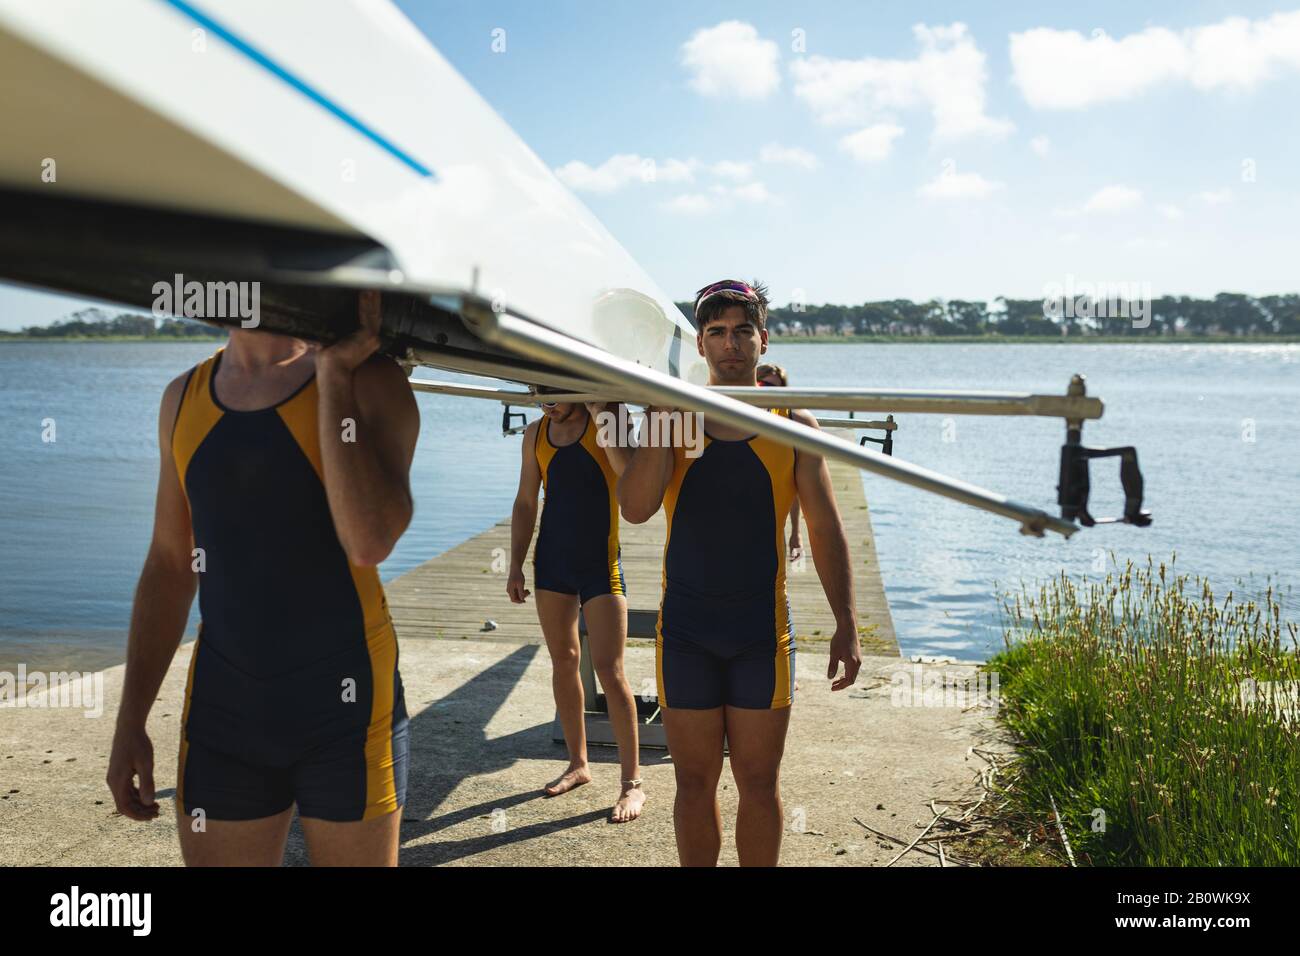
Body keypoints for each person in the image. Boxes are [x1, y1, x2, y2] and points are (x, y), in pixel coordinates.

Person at [106, 291, 420, 866]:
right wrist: (131, 720)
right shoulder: (182, 398)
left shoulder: (371, 382)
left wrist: (332, 375)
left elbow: (369, 539)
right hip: (226, 711)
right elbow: (171, 564)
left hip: (347, 708)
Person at [619, 278, 861, 866]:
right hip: (685, 635)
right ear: (700, 345)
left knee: (759, 784)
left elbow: (826, 529)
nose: (731, 343)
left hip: (761, 635)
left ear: (764, 340)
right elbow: (635, 507)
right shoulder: (675, 419)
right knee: (693, 784)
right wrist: (656, 420)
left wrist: (846, 622)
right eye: (718, 332)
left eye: (743, 331)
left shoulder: (794, 424)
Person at [508, 393, 645, 822]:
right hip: (551, 563)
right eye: (537, 393)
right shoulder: (535, 435)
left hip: (601, 566)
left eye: (554, 392)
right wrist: (514, 564)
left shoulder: (603, 422)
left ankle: (632, 783)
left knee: (610, 668)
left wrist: (602, 414)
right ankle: (578, 764)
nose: (546, 402)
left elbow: (629, 478)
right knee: (564, 661)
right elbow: (526, 501)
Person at [756, 363, 803, 561]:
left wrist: (796, 533)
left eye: (777, 390)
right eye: (764, 385)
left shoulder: (787, 434)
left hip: (772, 523)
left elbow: (793, 489)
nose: (769, 394)